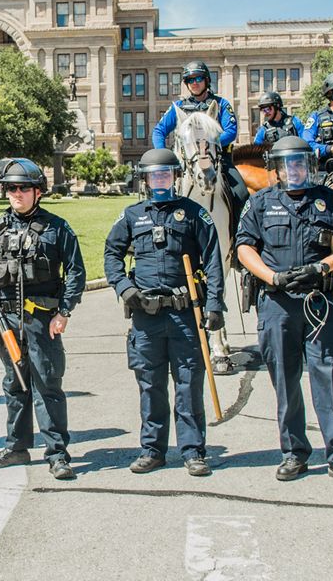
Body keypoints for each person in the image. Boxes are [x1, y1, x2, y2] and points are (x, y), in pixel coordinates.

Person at [235, 136, 333, 486]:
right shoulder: (261, 203)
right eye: (287, 165)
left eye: (300, 164)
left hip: (320, 301)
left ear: (308, 166)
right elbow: (245, 248)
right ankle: (294, 452)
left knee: (332, 377)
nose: (294, 170)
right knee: (285, 381)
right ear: (276, 169)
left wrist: (324, 267)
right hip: (277, 303)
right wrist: (272, 276)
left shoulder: (329, 199)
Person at [104, 148, 224, 477]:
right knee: (151, 385)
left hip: (185, 314)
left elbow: (213, 260)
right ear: (145, 179)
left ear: (175, 177)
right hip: (145, 316)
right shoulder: (131, 215)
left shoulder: (194, 214)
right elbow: (111, 254)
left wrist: (214, 304)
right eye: (154, 176)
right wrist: (124, 289)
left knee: (188, 385)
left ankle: (193, 451)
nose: (160, 181)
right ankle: (152, 449)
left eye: (165, 175)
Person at [0, 158, 85, 480]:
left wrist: (64, 312)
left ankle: (57, 454)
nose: (16, 194)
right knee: (14, 384)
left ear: (38, 191)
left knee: (47, 385)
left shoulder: (57, 228)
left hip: (42, 320)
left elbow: (76, 272)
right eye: (11, 188)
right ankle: (17, 447)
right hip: (5, 320)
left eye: (23, 188)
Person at [151, 60, 250, 231]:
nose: (194, 83)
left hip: (219, 160)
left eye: (198, 79)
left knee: (242, 194)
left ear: (206, 80)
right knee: (158, 193)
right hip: (186, 164)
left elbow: (231, 131)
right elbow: (158, 131)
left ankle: (239, 238)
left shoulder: (221, 104)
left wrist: (209, 144)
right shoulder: (178, 107)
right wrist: (166, 158)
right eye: (190, 80)